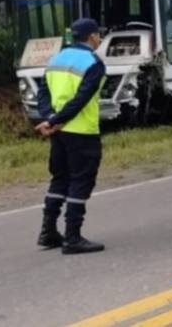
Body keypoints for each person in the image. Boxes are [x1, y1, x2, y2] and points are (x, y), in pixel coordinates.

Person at [34, 18, 107, 254]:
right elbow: (81, 99)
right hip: (81, 131)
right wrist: (56, 120)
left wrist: (49, 119)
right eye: (99, 35)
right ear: (92, 37)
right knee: (81, 181)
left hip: (59, 132)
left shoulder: (56, 59)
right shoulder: (94, 63)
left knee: (60, 178)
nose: (99, 39)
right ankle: (73, 236)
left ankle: (48, 232)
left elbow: (42, 93)